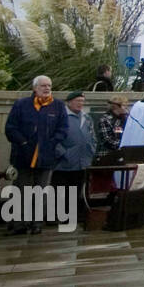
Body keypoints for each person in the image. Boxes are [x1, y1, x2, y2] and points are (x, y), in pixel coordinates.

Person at [3, 75, 69, 234]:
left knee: (41, 192)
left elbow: (63, 129)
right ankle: (19, 224)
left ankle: (36, 223)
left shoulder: (58, 106)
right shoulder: (21, 104)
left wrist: (52, 143)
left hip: (46, 157)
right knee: (21, 191)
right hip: (23, 156)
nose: (47, 88)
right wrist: (23, 143)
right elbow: (10, 128)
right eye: (43, 86)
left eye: (49, 86)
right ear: (34, 88)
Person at [53, 91, 97, 225]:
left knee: (77, 189)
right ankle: (59, 215)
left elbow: (92, 136)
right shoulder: (61, 117)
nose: (80, 104)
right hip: (64, 162)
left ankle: (74, 214)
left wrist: (91, 150)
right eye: (77, 101)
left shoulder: (87, 118)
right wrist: (62, 153)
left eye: (82, 101)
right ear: (69, 102)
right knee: (61, 189)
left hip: (83, 161)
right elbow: (53, 138)